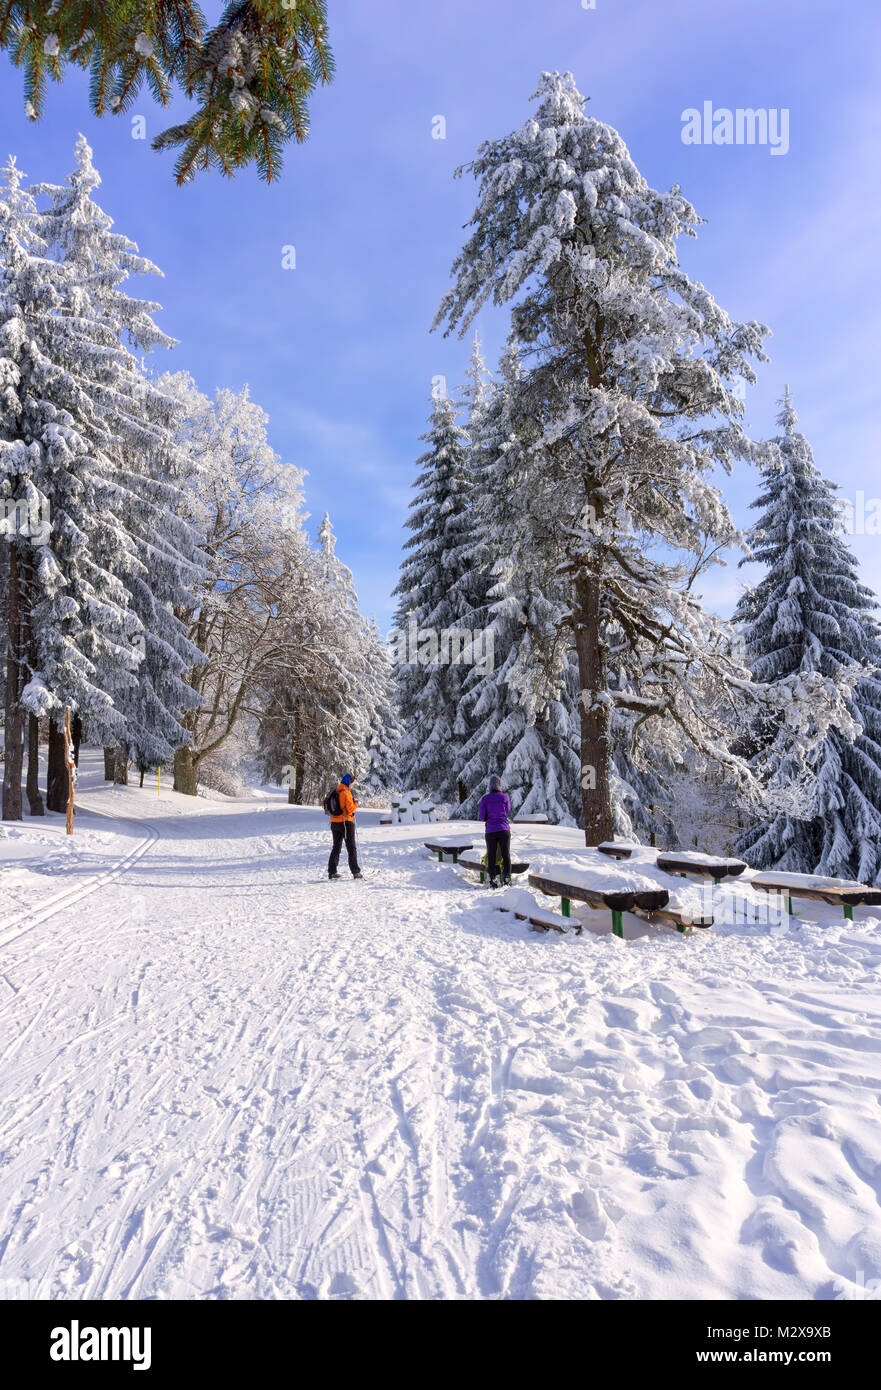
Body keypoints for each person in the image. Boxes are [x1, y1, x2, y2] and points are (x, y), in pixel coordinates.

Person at [478, 774, 512, 888]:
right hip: (504, 829)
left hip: (491, 831)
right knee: (505, 854)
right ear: (499, 785)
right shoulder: (505, 797)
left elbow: (482, 817)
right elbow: (507, 810)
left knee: (491, 855)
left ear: (490, 786)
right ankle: (507, 877)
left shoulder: (485, 799)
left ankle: (493, 879)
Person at [328, 773, 362, 880]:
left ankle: (332, 872)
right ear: (349, 782)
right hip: (346, 823)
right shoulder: (346, 793)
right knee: (351, 848)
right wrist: (356, 803)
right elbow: (350, 809)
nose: (352, 785)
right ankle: (356, 872)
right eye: (352, 783)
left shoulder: (335, 791)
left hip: (334, 823)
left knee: (336, 847)